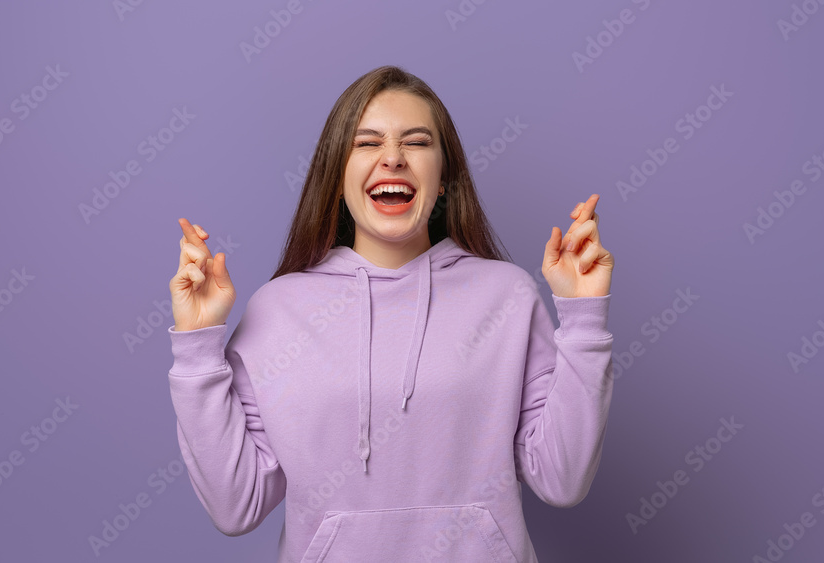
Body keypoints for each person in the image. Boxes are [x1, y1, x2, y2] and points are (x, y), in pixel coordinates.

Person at [166, 65, 615, 562]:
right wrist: (197, 346)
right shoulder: (277, 311)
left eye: (417, 142)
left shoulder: (506, 295)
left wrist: (583, 318)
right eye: (367, 143)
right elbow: (236, 507)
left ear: (443, 180)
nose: (394, 157)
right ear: (337, 179)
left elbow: (563, 479)